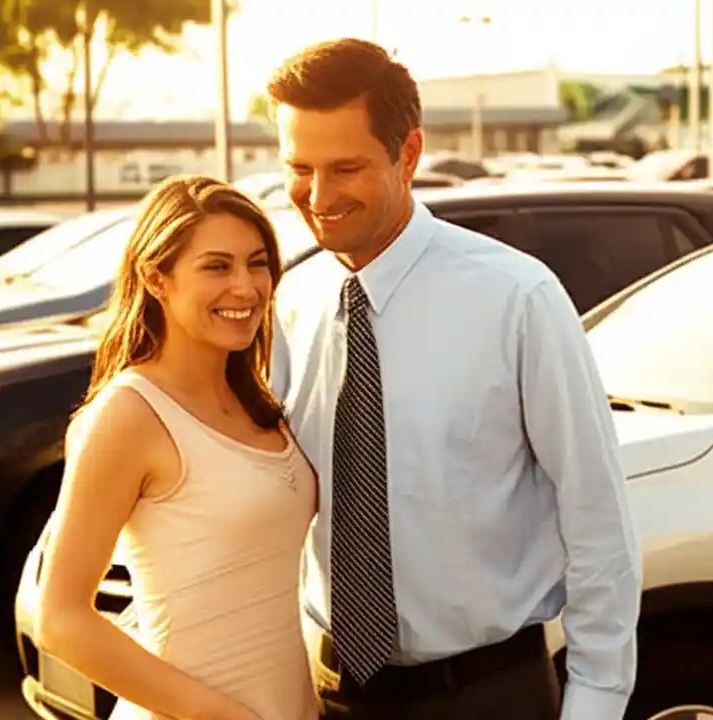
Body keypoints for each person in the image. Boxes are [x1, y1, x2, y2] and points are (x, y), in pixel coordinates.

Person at [268, 38, 642, 719]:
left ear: (408, 154)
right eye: (300, 168)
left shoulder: (517, 298)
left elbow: (597, 517)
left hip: (487, 697)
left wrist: (596, 702)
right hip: (335, 698)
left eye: (345, 167)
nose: (317, 197)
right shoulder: (290, 303)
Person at [35, 175, 319, 720]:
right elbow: (60, 617)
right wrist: (223, 715)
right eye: (216, 266)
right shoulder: (128, 414)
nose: (246, 286)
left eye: (257, 263)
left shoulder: (258, 398)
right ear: (156, 278)